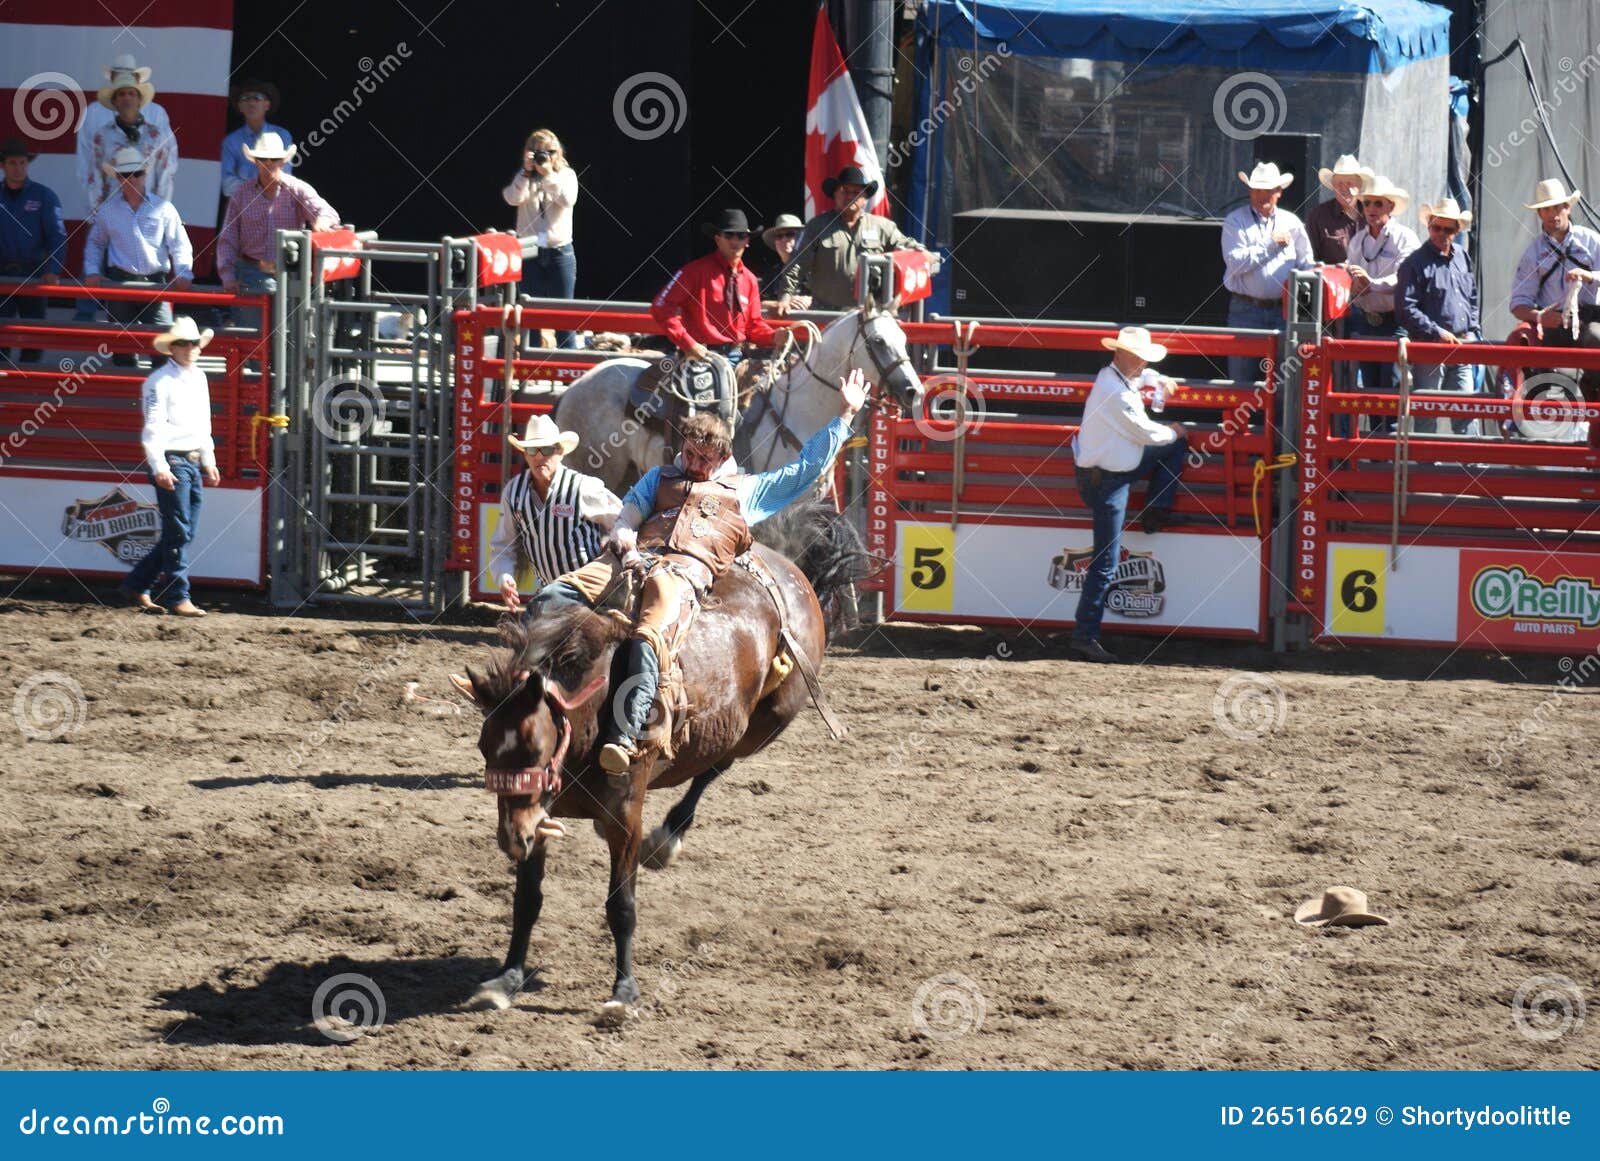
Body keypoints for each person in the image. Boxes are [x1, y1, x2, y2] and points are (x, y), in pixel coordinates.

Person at [532, 367, 867, 773]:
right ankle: (525, 687)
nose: (692, 464)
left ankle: (625, 731)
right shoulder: (660, 477)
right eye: (688, 454)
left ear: (722, 458)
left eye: (702, 459)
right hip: (631, 561)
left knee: (648, 637)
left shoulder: (746, 491)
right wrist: (623, 539)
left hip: (680, 576)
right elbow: (629, 512)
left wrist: (845, 416)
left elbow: (804, 470)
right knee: (552, 596)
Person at [1067, 327, 1189, 664]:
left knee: (1104, 561)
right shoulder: (1116, 392)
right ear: (1122, 355)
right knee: (1105, 562)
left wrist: (1157, 377)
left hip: (1108, 471)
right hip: (1108, 480)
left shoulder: (1112, 377)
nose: (1142, 363)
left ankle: (1157, 506)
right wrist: (1174, 430)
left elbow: (1138, 378)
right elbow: (1144, 431)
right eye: (1138, 357)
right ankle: (1084, 635)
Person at [117, 317, 218, 617]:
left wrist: (208, 458)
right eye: (184, 344)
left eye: (194, 343)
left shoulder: (197, 378)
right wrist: (159, 465)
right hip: (174, 460)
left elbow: (204, 423)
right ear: (172, 348)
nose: (190, 349)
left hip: (189, 459)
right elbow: (153, 427)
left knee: (182, 531)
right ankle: (177, 595)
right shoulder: (158, 382)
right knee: (180, 531)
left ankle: (138, 583)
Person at [75, 55, 177, 322]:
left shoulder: (157, 129)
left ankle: (154, 319)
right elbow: (91, 170)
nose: (128, 97)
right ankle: (90, 319)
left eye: (132, 91)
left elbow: (167, 170)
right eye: (122, 92)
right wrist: (96, 209)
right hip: (110, 206)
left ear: (139, 90)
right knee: (106, 261)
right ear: (114, 95)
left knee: (149, 263)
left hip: (148, 207)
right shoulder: (100, 128)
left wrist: (160, 207)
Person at [487, 414, 622, 611]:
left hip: (591, 595)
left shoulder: (583, 487)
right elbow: (502, 544)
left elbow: (624, 521)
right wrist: (504, 576)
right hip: (549, 595)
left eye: (547, 449)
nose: (539, 457)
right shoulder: (513, 493)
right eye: (532, 450)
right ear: (525, 454)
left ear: (560, 452)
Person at [1509, 178, 1600, 450]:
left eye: (1557, 207)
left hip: (1590, 319)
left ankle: (1589, 396)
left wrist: (1590, 276)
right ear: (1539, 214)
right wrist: (1538, 317)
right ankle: (1532, 422)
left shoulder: (1591, 240)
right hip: (1554, 324)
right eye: (1546, 209)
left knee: (1596, 339)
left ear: (1567, 208)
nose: (1552, 214)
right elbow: (1518, 303)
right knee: (1527, 350)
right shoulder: (1533, 253)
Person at [84, 147, 193, 367]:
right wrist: (92, 271)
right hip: (121, 283)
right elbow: (95, 243)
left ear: (145, 175)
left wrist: (183, 271)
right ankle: (128, 398)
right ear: (117, 178)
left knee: (163, 349)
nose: (132, 179)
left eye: (137, 173)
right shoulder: (109, 210)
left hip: (153, 283)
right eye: (125, 174)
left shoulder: (164, 209)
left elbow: (179, 243)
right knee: (124, 351)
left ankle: (154, 398)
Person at [217, 132, 339, 326]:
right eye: (263, 159)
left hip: (290, 274)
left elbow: (328, 212)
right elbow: (228, 236)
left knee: (289, 337)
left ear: (283, 162)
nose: (269, 164)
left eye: (274, 159)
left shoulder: (297, 189)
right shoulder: (241, 194)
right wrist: (228, 275)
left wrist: (322, 221)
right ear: (255, 162)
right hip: (251, 273)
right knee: (255, 339)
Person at [776, 165, 923, 313]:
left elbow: (909, 249)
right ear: (835, 195)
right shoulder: (817, 226)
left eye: (856, 192)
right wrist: (785, 297)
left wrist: (922, 255)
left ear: (865, 198)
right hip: (826, 312)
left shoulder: (883, 227)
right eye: (845, 191)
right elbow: (797, 264)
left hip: (870, 314)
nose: (851, 196)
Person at [1221, 162, 1313, 385]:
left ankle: (1278, 422)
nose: (1261, 196)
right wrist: (1271, 245)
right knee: (1242, 380)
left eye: (1267, 190)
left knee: (1282, 383)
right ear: (1250, 191)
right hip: (1245, 311)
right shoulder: (1235, 221)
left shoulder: (1292, 222)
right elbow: (1235, 263)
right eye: (1256, 190)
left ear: (1278, 192)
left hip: (1284, 312)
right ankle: (1241, 420)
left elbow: (1306, 265)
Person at [1397, 198, 1480, 436]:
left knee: (1466, 411)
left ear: (1457, 231)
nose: (1442, 233)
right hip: (1430, 348)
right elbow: (1405, 308)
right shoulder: (1414, 263)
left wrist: (1472, 329)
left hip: (1462, 344)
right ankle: (1427, 468)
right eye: (1437, 227)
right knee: (1427, 411)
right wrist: (1438, 332)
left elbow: (1471, 296)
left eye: (1449, 229)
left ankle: (1470, 468)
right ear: (1429, 226)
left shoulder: (1462, 256)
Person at [1343, 175, 1418, 435]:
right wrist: (1353, 284)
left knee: (1392, 392)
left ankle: (1388, 458)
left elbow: (1405, 279)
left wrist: (1370, 283)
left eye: (1377, 203)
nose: (1371, 209)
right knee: (1371, 392)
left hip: (1394, 322)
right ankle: (1377, 456)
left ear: (1390, 207)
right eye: (1366, 204)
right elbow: (1349, 275)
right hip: (1365, 318)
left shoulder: (1404, 238)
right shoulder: (1357, 241)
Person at [650, 209, 776, 363]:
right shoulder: (694, 271)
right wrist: (688, 344)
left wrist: (775, 337)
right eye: (729, 235)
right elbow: (660, 305)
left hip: (738, 356)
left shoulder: (750, 279)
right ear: (718, 239)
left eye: (741, 236)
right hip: (702, 357)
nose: (735, 241)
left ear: (747, 241)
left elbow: (753, 325)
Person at [503, 128, 579, 350]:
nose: (543, 157)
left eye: (548, 152)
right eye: (536, 152)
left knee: (565, 315)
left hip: (559, 251)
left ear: (558, 152)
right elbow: (512, 198)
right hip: (529, 251)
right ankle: (532, 367)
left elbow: (567, 200)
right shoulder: (525, 176)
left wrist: (548, 175)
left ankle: (569, 369)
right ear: (527, 153)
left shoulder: (566, 175)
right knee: (531, 314)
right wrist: (526, 174)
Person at [0, 139, 65, 365]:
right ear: (3, 166)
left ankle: (30, 387)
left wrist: (54, 269)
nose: (18, 168)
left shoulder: (44, 196)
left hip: (33, 274)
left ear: (28, 164)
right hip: (1, 275)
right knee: (1, 337)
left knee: (33, 335)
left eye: (22, 163)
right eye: (12, 163)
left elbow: (57, 235)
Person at [220, 80, 291, 198]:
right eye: (245, 98)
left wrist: (246, 183)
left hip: (277, 207)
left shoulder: (283, 136)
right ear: (239, 106)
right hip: (243, 210)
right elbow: (227, 187)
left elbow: (285, 178)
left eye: (257, 98)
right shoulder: (230, 142)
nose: (251, 103)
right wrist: (263, 184)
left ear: (267, 105)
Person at [1305, 154, 1372, 265]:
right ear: (1333, 187)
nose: (1344, 188)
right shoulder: (1318, 216)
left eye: (1350, 183)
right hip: (1333, 281)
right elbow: (1311, 259)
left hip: (1369, 281)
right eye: (1339, 184)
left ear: (1359, 186)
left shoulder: (1372, 214)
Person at [759, 214, 808, 308]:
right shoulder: (771, 273)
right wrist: (782, 303)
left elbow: (832, 296)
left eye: (790, 234)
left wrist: (810, 300)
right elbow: (756, 303)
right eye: (779, 236)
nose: (784, 239)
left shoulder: (817, 268)